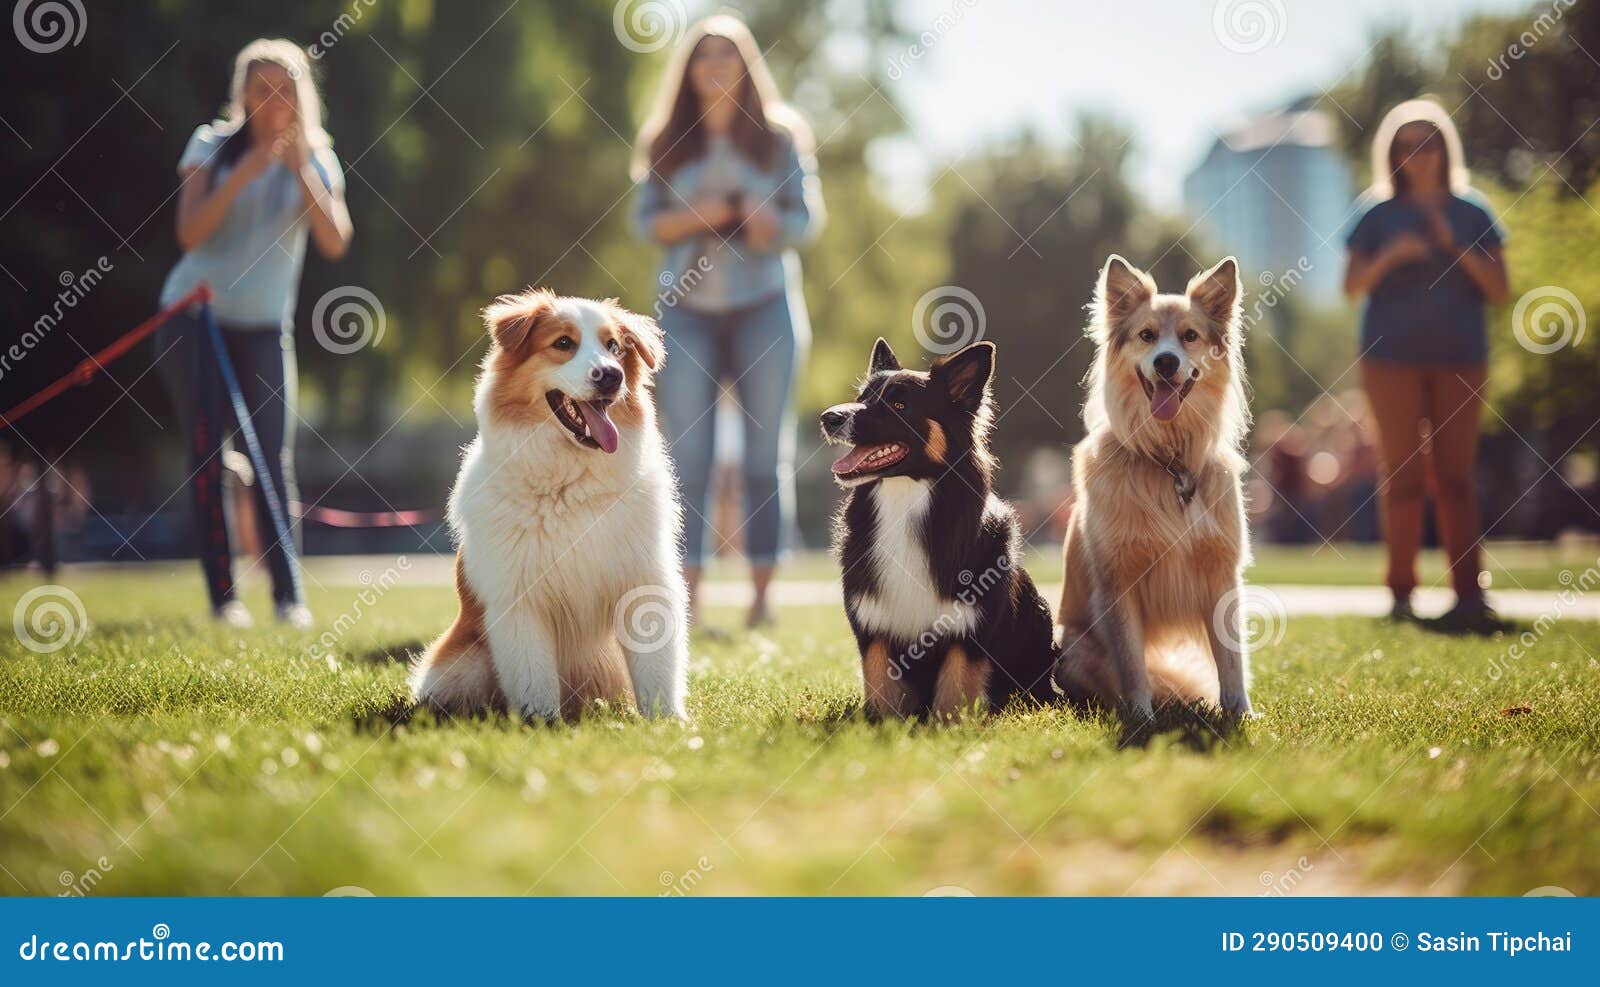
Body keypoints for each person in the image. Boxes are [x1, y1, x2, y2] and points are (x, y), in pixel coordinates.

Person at [631, 15, 824, 629]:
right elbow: (645, 223)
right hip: (685, 314)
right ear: (687, 68)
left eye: (728, 55)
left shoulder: (779, 138)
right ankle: (688, 598)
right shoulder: (665, 138)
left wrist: (770, 222)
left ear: (746, 67)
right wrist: (701, 215)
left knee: (766, 456)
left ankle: (763, 597)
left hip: (764, 307)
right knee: (689, 455)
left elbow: (806, 222)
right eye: (703, 54)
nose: (715, 64)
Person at [154, 39, 353, 628]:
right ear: (243, 95)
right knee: (208, 460)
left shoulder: (319, 159)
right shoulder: (210, 146)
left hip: (267, 328)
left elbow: (335, 241)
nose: (274, 100)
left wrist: (298, 171)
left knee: (271, 457)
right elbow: (190, 232)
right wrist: (246, 170)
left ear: (301, 97)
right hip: (194, 320)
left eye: (285, 89)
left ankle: (289, 597)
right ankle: (225, 600)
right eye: (262, 88)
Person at [1342, 98, 1509, 633]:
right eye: (1407, 145)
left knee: (1456, 475)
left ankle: (1468, 593)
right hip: (1389, 360)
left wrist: (1451, 246)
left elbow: (1500, 289)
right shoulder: (1374, 212)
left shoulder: (1473, 211)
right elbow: (1350, 287)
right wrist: (1392, 255)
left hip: (1462, 357)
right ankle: (1401, 592)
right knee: (1403, 473)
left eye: (1428, 142)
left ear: (1444, 148)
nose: (1419, 154)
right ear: (1392, 154)